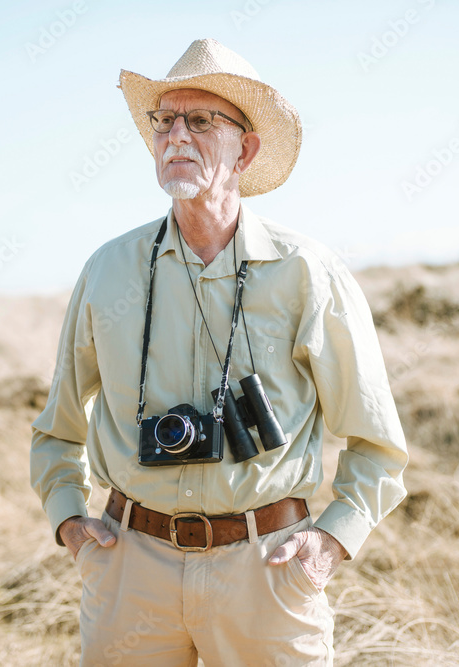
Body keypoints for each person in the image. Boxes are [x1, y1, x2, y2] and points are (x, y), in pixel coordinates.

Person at [31, 38, 408, 666]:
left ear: (246, 148)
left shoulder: (305, 273)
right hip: (130, 570)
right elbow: (57, 428)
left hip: (269, 569)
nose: (176, 135)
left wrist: (330, 542)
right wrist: (72, 523)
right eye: (164, 121)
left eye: (201, 120)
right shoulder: (109, 271)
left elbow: (378, 444)